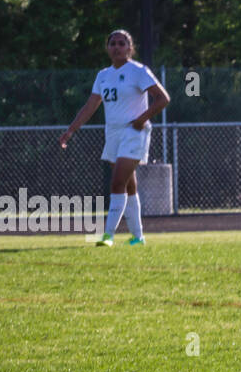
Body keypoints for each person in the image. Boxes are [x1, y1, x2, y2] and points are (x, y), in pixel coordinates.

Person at [60, 29, 170, 245]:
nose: (117, 47)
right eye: (113, 43)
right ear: (107, 48)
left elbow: (162, 98)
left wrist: (140, 120)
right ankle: (138, 237)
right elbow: (90, 105)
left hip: (134, 132)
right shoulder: (103, 75)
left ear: (130, 48)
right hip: (113, 133)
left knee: (117, 181)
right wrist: (71, 129)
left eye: (122, 43)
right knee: (129, 185)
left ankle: (108, 234)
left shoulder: (138, 71)